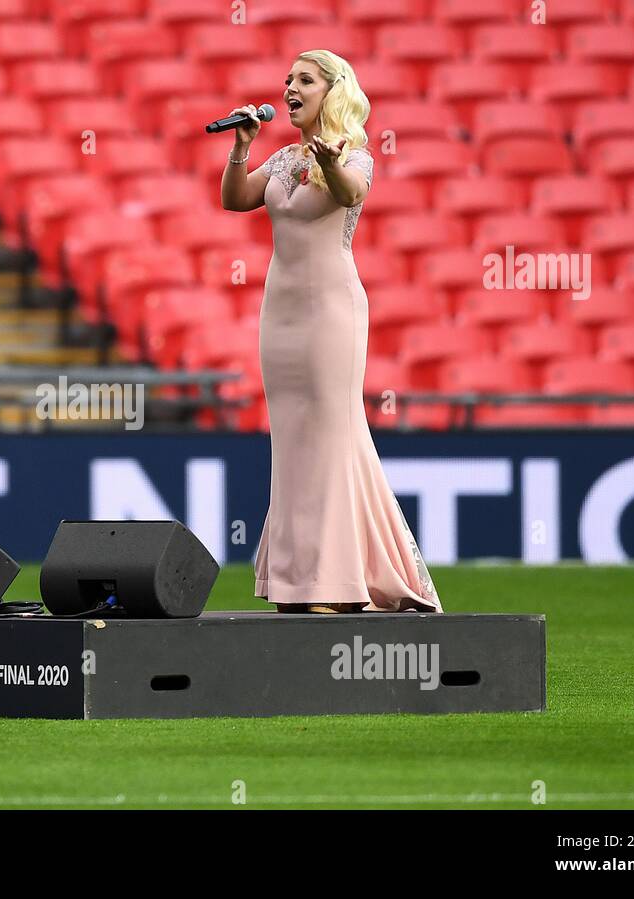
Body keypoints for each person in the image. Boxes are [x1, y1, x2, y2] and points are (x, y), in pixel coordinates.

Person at [219, 49, 442, 614]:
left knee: (330, 435)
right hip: (282, 314)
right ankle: (298, 581)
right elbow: (235, 198)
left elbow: (350, 194)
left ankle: (338, 583)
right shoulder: (280, 157)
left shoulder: (354, 154)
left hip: (330, 314)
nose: (289, 87)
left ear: (331, 90)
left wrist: (331, 159)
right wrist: (242, 148)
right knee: (293, 440)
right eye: (287, 78)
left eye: (304, 79)